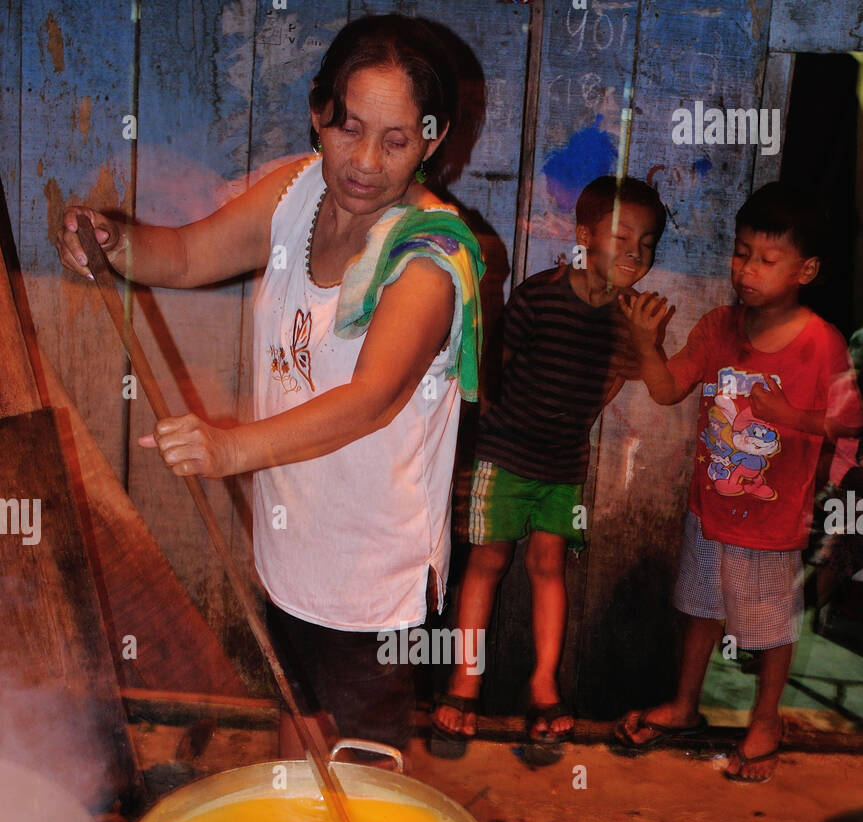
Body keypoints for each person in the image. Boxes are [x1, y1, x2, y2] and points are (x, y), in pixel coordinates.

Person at [56, 13, 484, 758]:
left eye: (397, 140)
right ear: (319, 115)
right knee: (296, 741)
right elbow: (186, 254)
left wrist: (230, 450)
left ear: (432, 139)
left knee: (360, 778)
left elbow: (372, 396)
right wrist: (115, 240)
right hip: (293, 548)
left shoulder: (427, 255)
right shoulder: (296, 193)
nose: (365, 161)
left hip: (371, 577)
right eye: (348, 128)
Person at [616, 182, 863, 781]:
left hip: (773, 521)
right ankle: (683, 704)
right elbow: (669, 387)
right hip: (710, 508)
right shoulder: (719, 325)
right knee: (700, 609)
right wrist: (646, 345)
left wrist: (791, 419)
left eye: (766, 259)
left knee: (772, 626)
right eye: (741, 252)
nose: (747, 269)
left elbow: (850, 423)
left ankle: (766, 719)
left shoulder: (821, 343)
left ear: (805, 269)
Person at [429, 175, 667, 759]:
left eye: (648, 241)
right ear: (584, 237)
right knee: (486, 562)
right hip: (506, 455)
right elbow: (498, 365)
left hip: (564, 466)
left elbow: (625, 379)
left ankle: (543, 687)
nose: (636, 251)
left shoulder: (628, 317)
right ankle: (465, 684)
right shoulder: (538, 295)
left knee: (548, 567)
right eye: (622, 236)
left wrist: (643, 340)